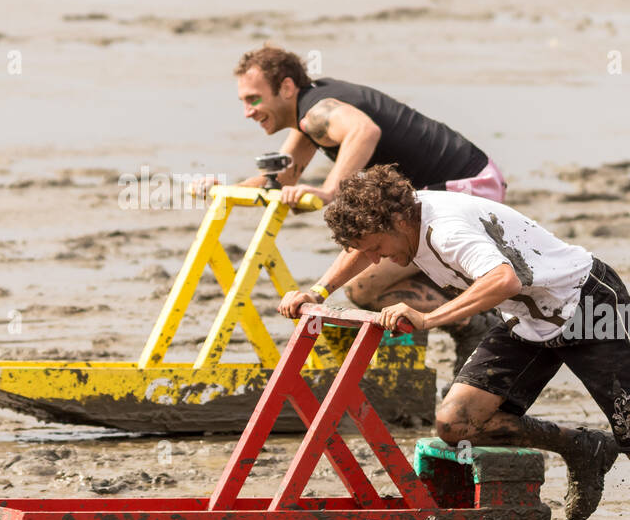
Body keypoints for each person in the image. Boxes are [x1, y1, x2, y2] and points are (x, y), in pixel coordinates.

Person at [290, 163, 630, 520]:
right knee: (455, 425)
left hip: (590, 309)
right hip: (531, 321)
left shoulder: (447, 230)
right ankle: (583, 446)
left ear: (396, 222)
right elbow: (361, 251)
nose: (373, 260)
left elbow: (503, 281)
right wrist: (316, 290)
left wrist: (429, 320)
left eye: (376, 247)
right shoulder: (401, 223)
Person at [197, 44, 503, 373]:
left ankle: (473, 323)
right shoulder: (309, 119)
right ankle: (464, 320)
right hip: (447, 189)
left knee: (366, 287)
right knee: (376, 269)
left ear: (286, 88)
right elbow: (278, 180)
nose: (248, 111)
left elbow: (363, 130)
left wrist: (330, 190)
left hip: (470, 185)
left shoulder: (318, 112)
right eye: (243, 102)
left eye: (253, 99)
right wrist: (221, 189)